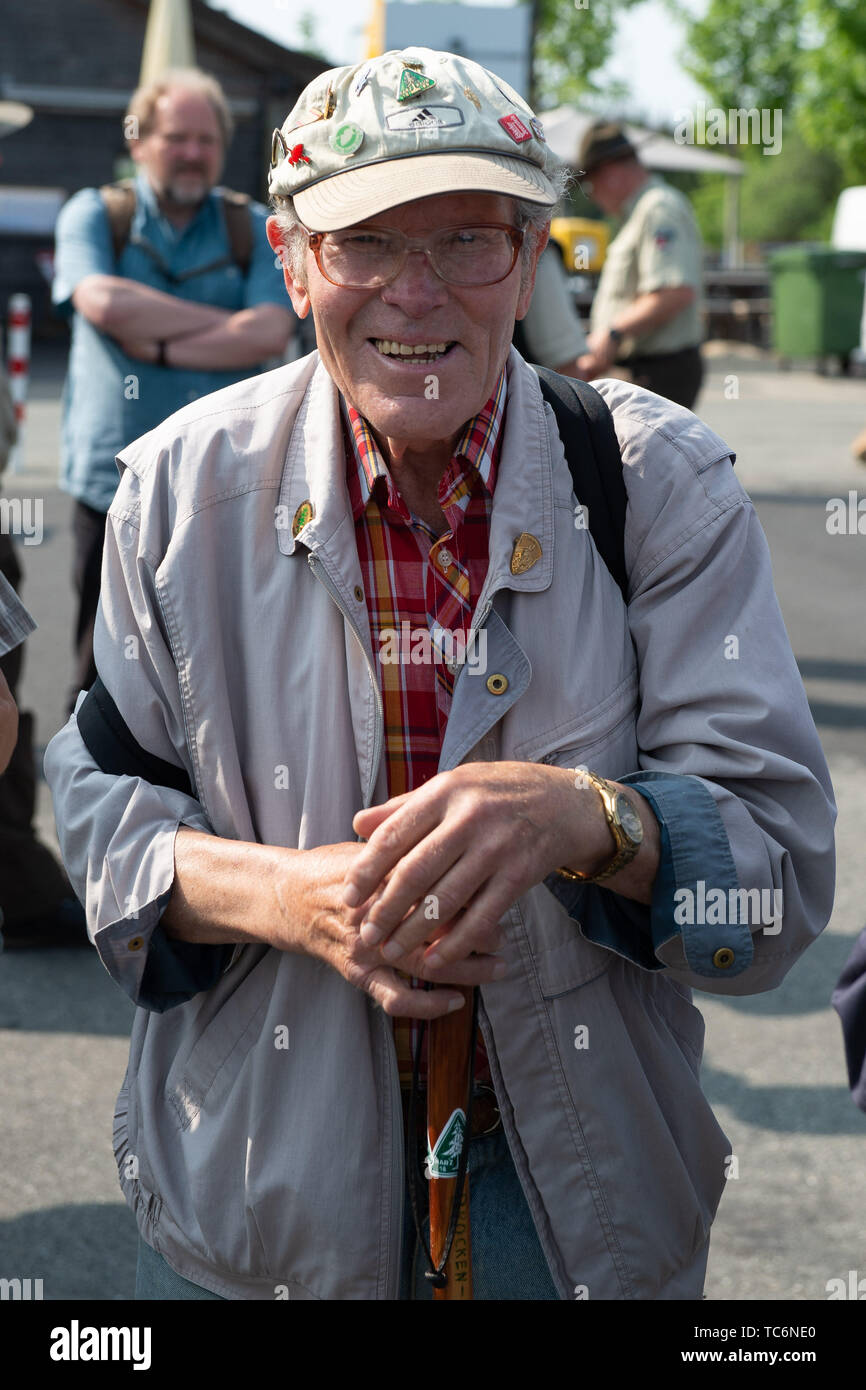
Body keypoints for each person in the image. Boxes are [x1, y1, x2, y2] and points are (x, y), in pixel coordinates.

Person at [46, 48, 835, 1301]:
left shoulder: (655, 485)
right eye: (363, 241)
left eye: (470, 238)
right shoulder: (179, 493)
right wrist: (283, 894)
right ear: (290, 256)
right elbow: (97, 809)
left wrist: (596, 817)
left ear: (529, 261)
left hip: (571, 1210)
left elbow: (776, 885)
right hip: (260, 1198)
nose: (416, 295)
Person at [52, 67, 295, 708]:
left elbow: (271, 329)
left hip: (223, 488)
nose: (192, 153)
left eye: (206, 140)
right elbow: (102, 302)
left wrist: (155, 340)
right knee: (98, 669)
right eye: (175, 137)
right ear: (139, 142)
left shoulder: (253, 227)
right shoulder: (96, 214)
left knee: (216, 672)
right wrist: (229, 328)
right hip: (110, 487)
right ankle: (93, 794)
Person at [577, 121, 705, 408]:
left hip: (660, 371)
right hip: (648, 370)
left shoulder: (657, 208)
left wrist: (612, 333)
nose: (592, 194)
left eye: (590, 184)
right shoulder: (642, 212)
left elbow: (675, 291)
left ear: (610, 173)